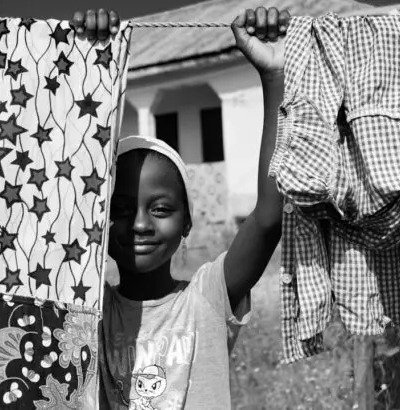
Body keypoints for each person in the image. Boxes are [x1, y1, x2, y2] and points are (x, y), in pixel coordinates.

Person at [72, 7, 289, 409]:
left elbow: (267, 218)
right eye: (120, 209)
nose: (139, 224)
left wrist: (273, 77)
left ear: (187, 223)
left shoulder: (208, 297)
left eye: (160, 209)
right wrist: (87, 63)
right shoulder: (88, 311)